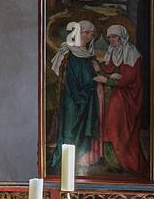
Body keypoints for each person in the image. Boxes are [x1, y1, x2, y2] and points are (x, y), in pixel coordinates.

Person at [51, 20, 101, 171]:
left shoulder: (89, 56)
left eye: (92, 34)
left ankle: (79, 160)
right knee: (70, 129)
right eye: (86, 33)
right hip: (74, 99)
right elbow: (70, 79)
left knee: (83, 130)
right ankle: (65, 163)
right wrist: (80, 97)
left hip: (87, 99)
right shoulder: (70, 53)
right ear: (78, 33)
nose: (89, 37)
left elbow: (92, 75)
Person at [97, 24, 147, 175]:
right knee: (109, 126)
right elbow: (109, 68)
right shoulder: (112, 51)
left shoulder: (132, 53)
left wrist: (109, 81)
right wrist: (101, 69)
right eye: (110, 37)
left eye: (114, 37)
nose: (111, 40)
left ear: (122, 37)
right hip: (116, 94)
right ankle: (113, 162)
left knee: (117, 128)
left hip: (127, 97)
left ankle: (125, 161)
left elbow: (130, 78)